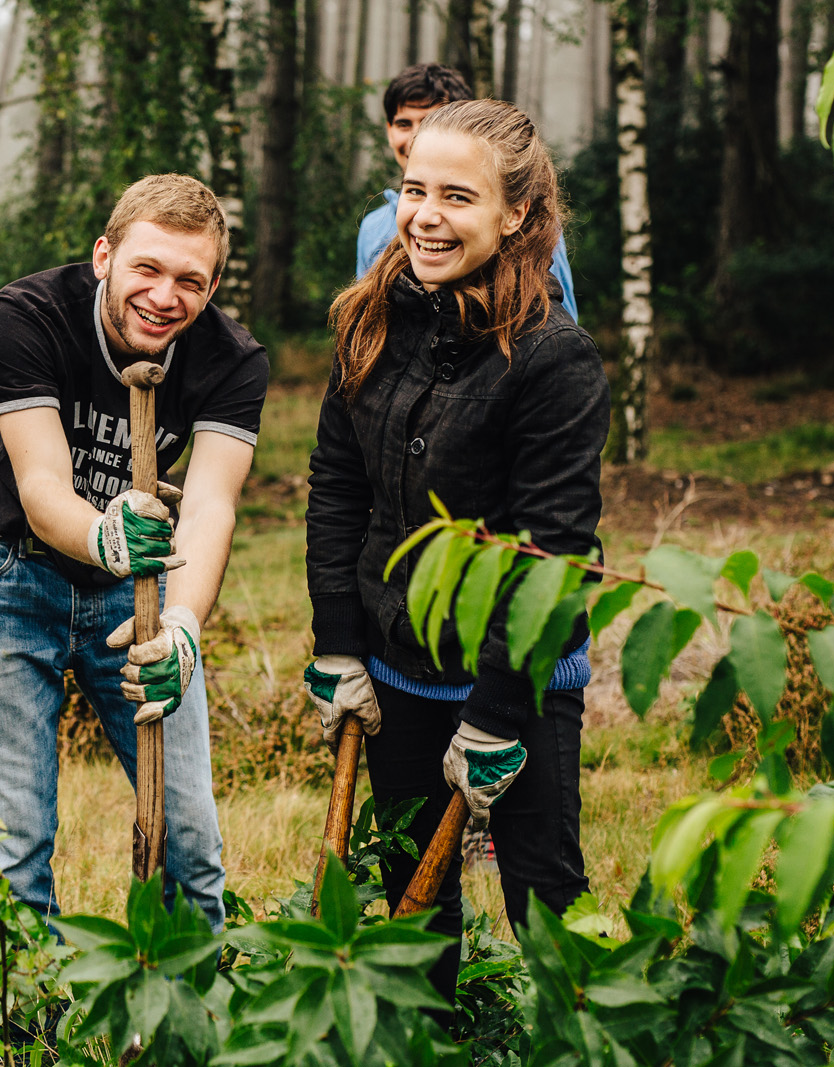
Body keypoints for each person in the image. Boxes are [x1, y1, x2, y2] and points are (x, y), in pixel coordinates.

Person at [304, 99, 607, 1004]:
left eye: (456, 197)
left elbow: (552, 552)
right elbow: (337, 486)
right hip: (394, 672)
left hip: (515, 679)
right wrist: (337, 642)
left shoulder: (554, 358)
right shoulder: (370, 321)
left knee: (546, 898)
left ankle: (588, 1039)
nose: (425, 215)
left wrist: (499, 712)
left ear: (515, 214)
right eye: (412, 190)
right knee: (410, 908)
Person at [0, 175, 269, 932]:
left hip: (139, 600)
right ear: (105, 255)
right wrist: (103, 534)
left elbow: (213, 503)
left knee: (190, 842)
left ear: (214, 284)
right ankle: (19, 1037)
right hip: (9, 575)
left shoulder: (234, 361)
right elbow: (40, 485)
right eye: (148, 270)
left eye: (190, 280)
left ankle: (186, 1029)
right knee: (9, 845)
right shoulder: (24, 316)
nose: (165, 296)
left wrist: (185, 628)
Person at [355, 63, 579, 322]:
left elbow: (558, 317)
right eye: (404, 124)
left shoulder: (531, 227)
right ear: (389, 130)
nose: (417, 137)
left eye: (430, 120)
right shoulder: (373, 228)